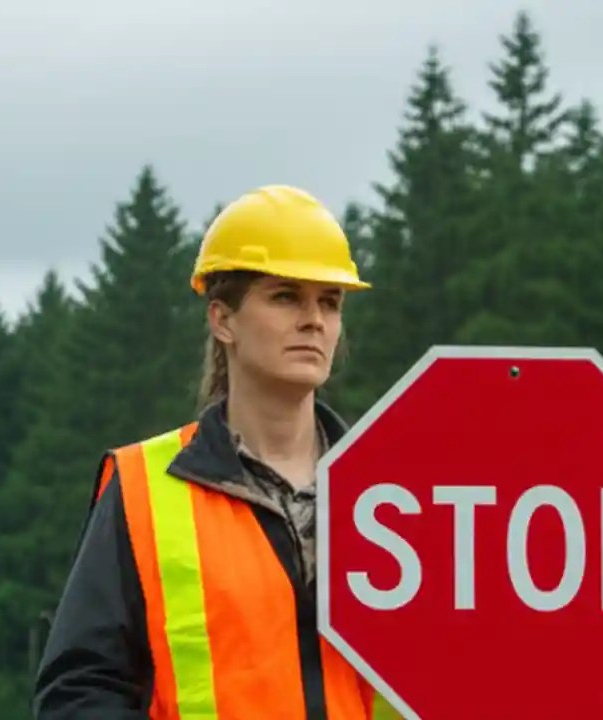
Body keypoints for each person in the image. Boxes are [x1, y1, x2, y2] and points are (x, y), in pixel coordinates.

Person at [32, 184, 399, 719]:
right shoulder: (143, 488)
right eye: (285, 296)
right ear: (222, 320)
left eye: (330, 302)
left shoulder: (396, 485)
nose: (314, 320)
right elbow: (79, 693)